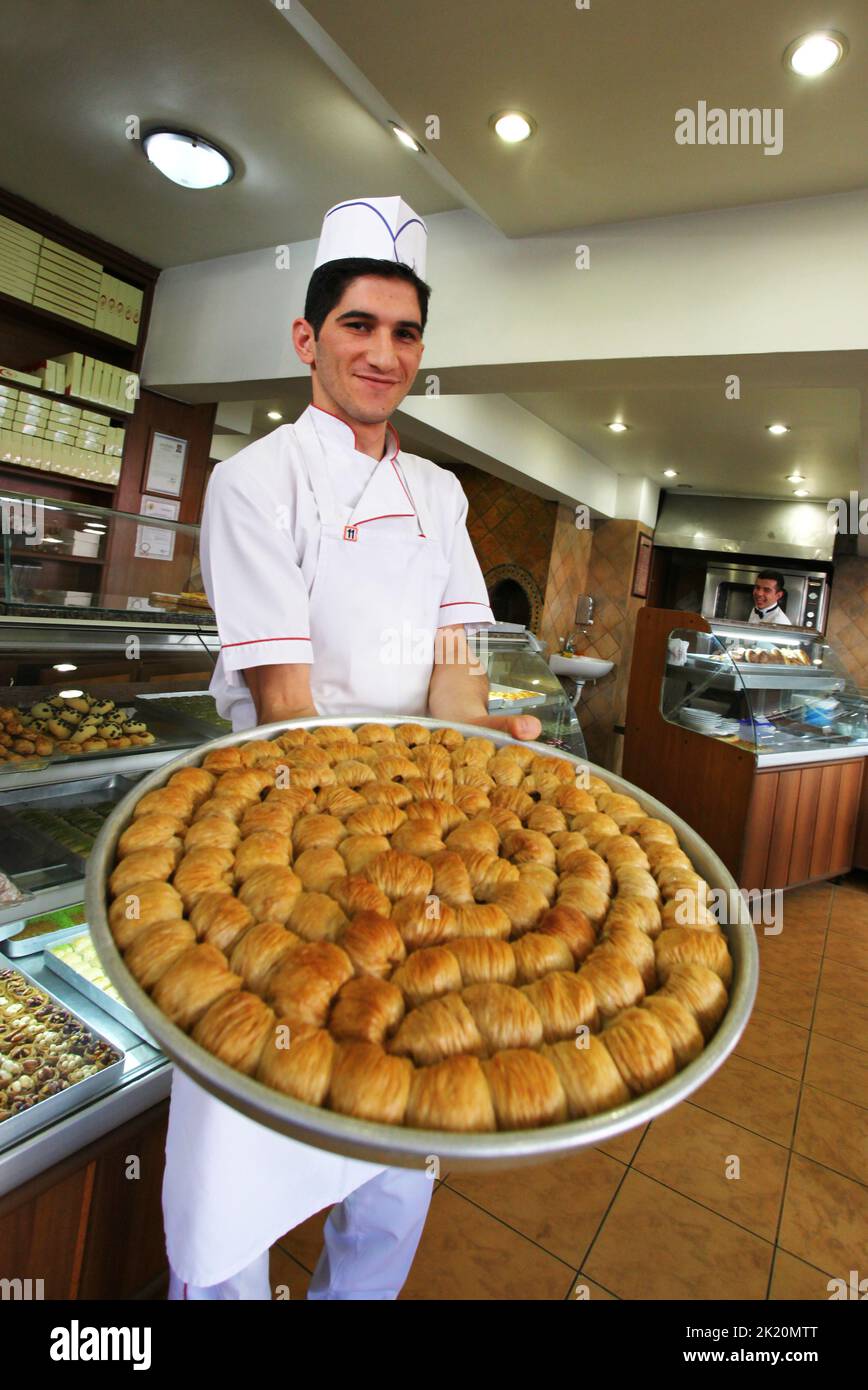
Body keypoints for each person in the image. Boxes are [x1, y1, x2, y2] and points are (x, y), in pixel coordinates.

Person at [163, 196, 543, 1301]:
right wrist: (399, 792)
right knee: (238, 1143)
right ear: (307, 338)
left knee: (397, 1131)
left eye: (405, 332)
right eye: (359, 326)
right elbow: (285, 699)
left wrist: (476, 739)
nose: (384, 353)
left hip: (414, 847)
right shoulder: (255, 481)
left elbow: (457, 659)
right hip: (279, 838)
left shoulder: (441, 493)